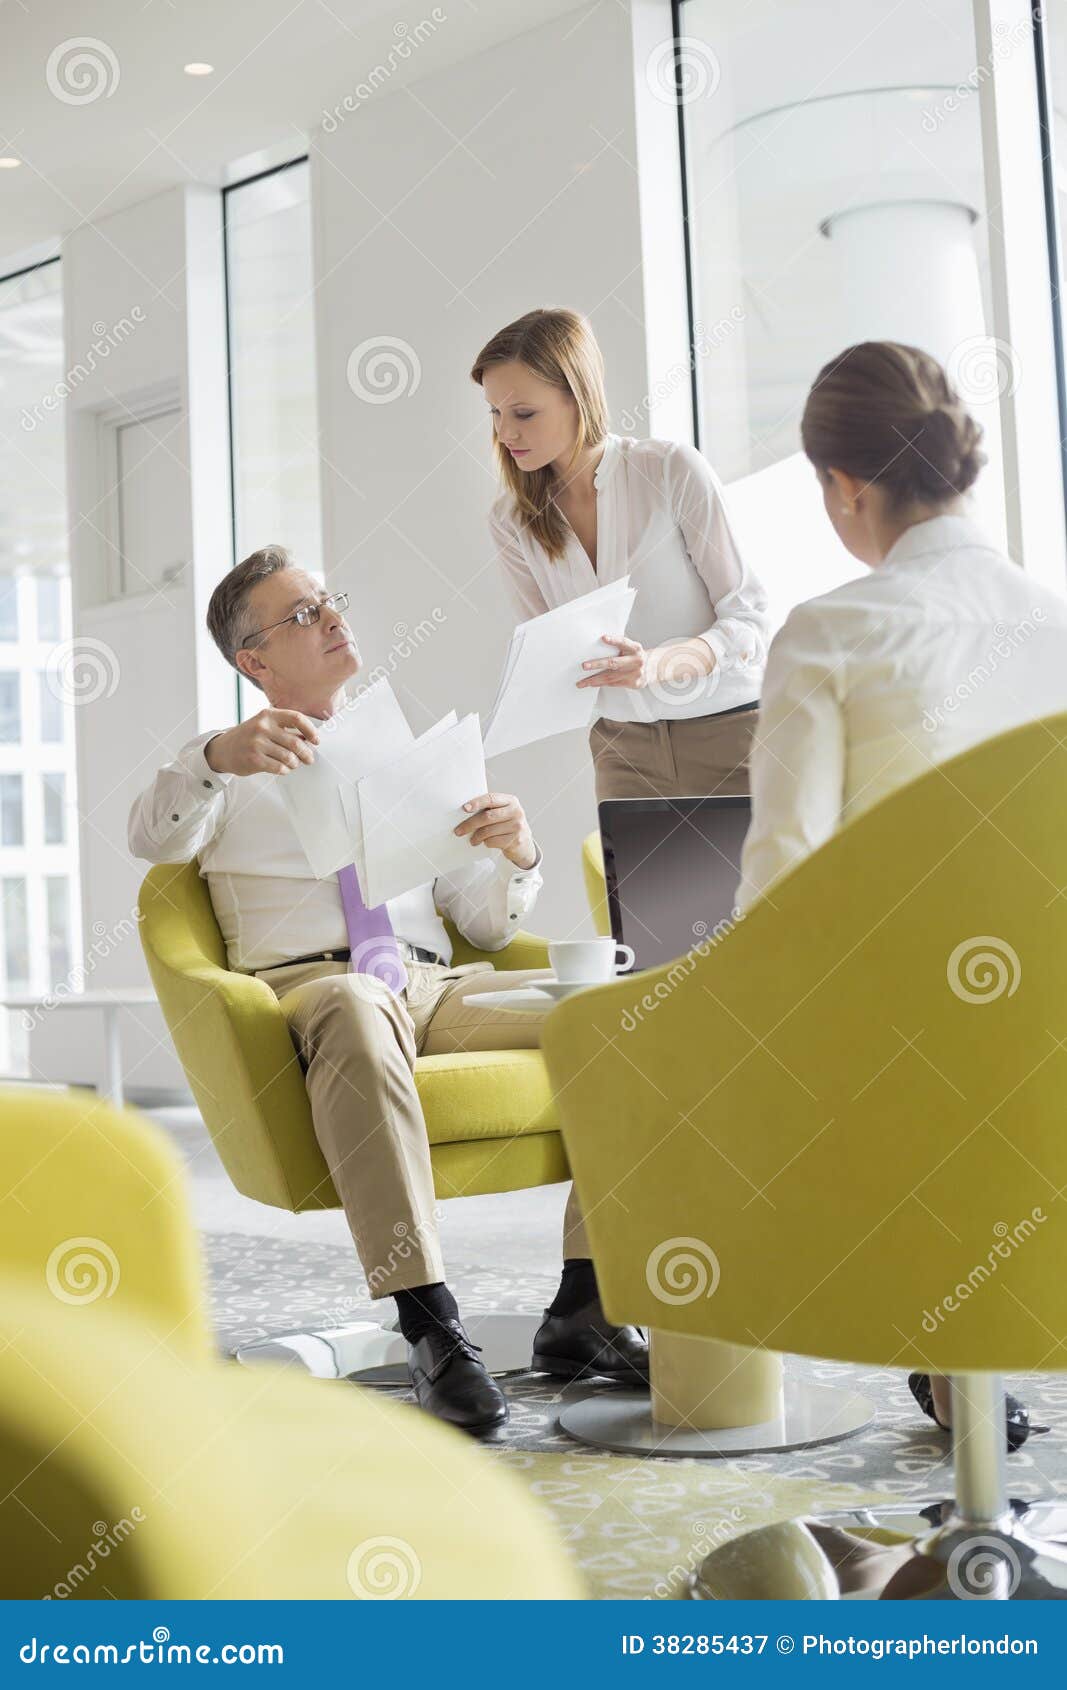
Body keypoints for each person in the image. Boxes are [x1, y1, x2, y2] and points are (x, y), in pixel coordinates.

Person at [128, 545, 648, 1436]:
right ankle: (430, 1326)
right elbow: (152, 836)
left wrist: (513, 852)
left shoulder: (409, 757)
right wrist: (216, 754)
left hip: (435, 985)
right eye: (303, 614)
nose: (333, 618)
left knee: (618, 1012)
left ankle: (586, 1304)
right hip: (314, 988)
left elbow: (482, 926)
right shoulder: (226, 771)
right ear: (254, 660)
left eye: (330, 600)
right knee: (356, 1003)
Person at [737, 340, 1067, 1451]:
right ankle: (957, 1355)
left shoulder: (831, 632)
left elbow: (783, 888)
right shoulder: (1054, 621)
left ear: (843, 487)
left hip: (911, 1062)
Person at [471, 307, 770, 801]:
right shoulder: (511, 521)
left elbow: (750, 622)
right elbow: (550, 654)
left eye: (523, 413)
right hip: (623, 753)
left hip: (731, 734)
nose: (505, 433)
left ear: (578, 397)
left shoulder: (671, 470)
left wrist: (656, 665)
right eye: (495, 413)